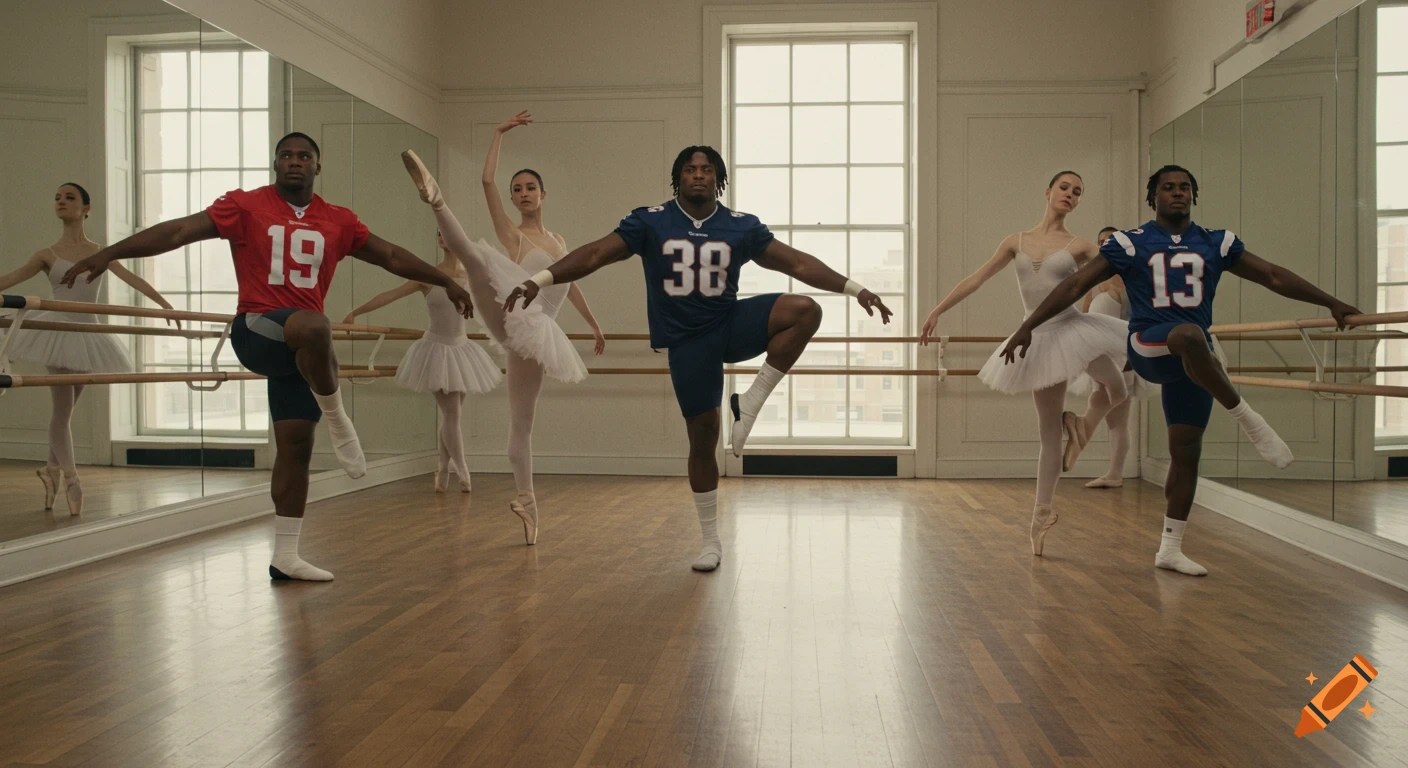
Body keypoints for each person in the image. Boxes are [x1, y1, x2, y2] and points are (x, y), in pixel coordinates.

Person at [61, 133, 475, 582]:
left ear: (318, 167)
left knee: (296, 446)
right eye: (286, 156)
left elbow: (390, 255)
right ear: (275, 165)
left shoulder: (338, 220)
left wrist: (446, 280)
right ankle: (338, 418)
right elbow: (179, 230)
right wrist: (110, 251)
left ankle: (285, 555)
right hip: (257, 330)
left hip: (303, 354)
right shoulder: (245, 205)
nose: (294, 162)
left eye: (304, 156)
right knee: (318, 324)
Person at [499, 145, 893, 572]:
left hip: (729, 322)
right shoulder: (651, 220)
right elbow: (595, 254)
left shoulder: (739, 226)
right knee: (703, 438)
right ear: (678, 178)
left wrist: (856, 289)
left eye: (707, 169)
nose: (699, 175)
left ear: (719, 178)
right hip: (688, 341)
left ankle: (752, 400)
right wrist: (540, 279)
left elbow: (796, 262)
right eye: (690, 169)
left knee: (805, 311)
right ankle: (710, 541)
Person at [999, 165, 1361, 576]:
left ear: (1194, 194)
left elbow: (1272, 275)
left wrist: (1332, 302)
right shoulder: (1131, 243)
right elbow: (1075, 285)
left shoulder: (1216, 243)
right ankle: (1250, 419)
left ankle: (1170, 548)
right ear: (1153, 198)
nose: (1177, 193)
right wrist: (1028, 326)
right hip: (1148, 345)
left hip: (1195, 363)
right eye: (1168, 188)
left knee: (1186, 452)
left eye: (1185, 187)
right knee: (1190, 334)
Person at [397, 113, 603, 546]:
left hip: (540, 333)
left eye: (530, 187)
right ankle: (435, 199)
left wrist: (595, 326)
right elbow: (487, 183)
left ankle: (527, 504)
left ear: (544, 193)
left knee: (521, 425)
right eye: (517, 190)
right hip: (509, 313)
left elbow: (571, 285)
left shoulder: (560, 242)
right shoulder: (512, 234)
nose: (522, 194)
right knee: (473, 258)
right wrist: (496, 135)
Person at [918, 172, 1129, 556]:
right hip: (1037, 338)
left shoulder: (1080, 245)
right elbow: (977, 278)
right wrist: (938, 310)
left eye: (1078, 192)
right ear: (1048, 192)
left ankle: (1081, 426)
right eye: (1065, 188)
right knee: (1048, 434)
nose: (1071, 195)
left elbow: (1114, 275)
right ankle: (1040, 514)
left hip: (1073, 330)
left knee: (1118, 388)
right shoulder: (1015, 242)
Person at [0, 183, 178, 515]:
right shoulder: (46, 254)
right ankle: (71, 478)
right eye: (57, 198)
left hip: (87, 333)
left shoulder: (101, 252)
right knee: (62, 410)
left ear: (86, 208)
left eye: (69, 198)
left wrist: (165, 306)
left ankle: (51, 470)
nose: (61, 202)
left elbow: (133, 279)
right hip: (55, 330)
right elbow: (9, 279)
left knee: (64, 412)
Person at [343, 230, 502, 493]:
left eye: (449, 235)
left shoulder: (472, 276)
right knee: (453, 413)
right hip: (436, 350)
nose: (444, 239)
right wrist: (356, 312)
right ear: (439, 240)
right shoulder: (427, 275)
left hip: (462, 350)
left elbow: (498, 299)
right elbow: (390, 294)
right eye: (440, 235)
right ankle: (462, 469)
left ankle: (441, 468)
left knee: (451, 416)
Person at [1070, 225, 1158, 489]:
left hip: (1126, 356)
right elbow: (1082, 321)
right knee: (1114, 417)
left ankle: (1085, 443)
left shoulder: (1136, 280)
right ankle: (1113, 472)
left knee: (1115, 416)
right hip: (1100, 357)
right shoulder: (1093, 284)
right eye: (1101, 241)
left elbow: (1145, 318)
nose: (1106, 244)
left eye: (1111, 240)